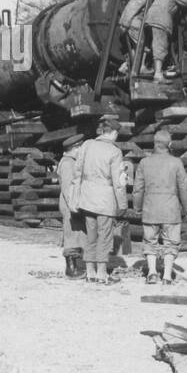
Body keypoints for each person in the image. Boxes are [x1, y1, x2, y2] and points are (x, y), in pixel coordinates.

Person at [70, 116, 128, 283]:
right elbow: (118, 182)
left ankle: (90, 272)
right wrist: (122, 204)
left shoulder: (87, 145)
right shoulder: (115, 152)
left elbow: (77, 173)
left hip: (88, 197)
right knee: (105, 236)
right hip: (105, 199)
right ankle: (102, 273)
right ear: (114, 133)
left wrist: (76, 196)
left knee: (91, 235)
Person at [133, 129, 187, 284]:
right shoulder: (176, 162)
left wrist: (137, 207)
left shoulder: (144, 163)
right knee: (171, 243)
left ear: (155, 144)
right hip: (170, 210)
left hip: (150, 209)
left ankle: (152, 273)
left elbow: (138, 188)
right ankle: (166, 276)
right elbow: (184, 188)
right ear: (169, 145)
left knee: (149, 241)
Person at [144, 0, 187, 78]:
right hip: (161, 19)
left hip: (150, 17)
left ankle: (145, 66)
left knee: (150, 43)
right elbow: (185, 1)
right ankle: (158, 73)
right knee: (160, 45)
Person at [57, 134, 87, 279]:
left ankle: (76, 266)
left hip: (72, 203)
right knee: (71, 235)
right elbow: (68, 188)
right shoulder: (68, 163)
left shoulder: (70, 161)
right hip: (71, 204)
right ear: (75, 148)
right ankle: (71, 270)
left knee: (76, 234)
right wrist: (74, 206)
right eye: (80, 147)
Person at [118, 0, 148, 76]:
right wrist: (124, 24)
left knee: (135, 47)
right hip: (135, 24)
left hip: (133, 24)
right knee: (143, 46)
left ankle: (128, 67)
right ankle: (141, 67)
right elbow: (131, 10)